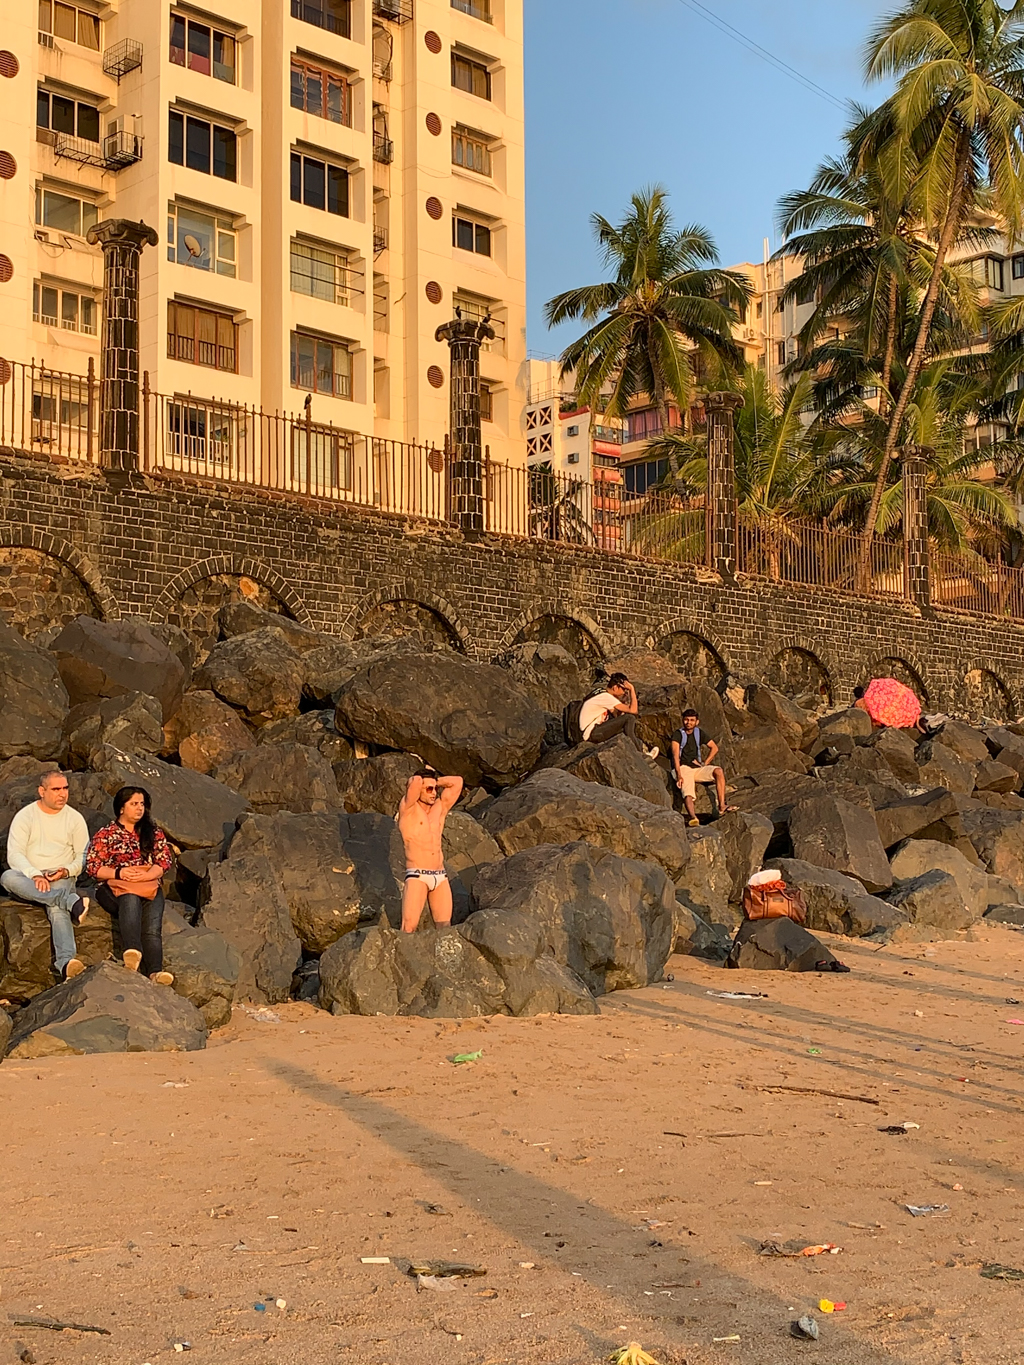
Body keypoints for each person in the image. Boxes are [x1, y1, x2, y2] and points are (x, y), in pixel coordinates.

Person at [1, 770, 91, 980]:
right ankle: (70, 902)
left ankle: (66, 963)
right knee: (6, 877)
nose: (62, 794)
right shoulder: (26, 816)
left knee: (55, 908)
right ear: (42, 791)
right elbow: (15, 855)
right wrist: (34, 875)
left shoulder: (74, 819)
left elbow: (83, 856)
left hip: (61, 875)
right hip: (29, 878)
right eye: (56, 789)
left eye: (65, 788)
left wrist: (65, 871)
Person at [86, 787, 174, 985]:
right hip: (113, 887)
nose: (139, 808)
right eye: (134, 804)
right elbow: (93, 867)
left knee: (152, 928)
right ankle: (132, 953)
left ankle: (155, 973)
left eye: (142, 804)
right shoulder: (106, 834)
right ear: (121, 808)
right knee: (130, 899)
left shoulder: (153, 832)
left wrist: (146, 875)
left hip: (148, 884)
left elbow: (164, 861)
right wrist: (120, 873)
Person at [396, 767, 464, 933]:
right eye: (429, 789)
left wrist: (434, 781)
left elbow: (458, 782)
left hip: (440, 876)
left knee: (444, 928)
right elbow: (415, 782)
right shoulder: (408, 809)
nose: (434, 793)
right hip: (417, 875)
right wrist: (422, 781)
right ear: (418, 789)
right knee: (409, 928)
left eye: (435, 789)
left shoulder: (439, 809)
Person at [671, 708, 737, 827]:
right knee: (688, 792)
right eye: (686, 720)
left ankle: (722, 805)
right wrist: (679, 775)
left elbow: (714, 748)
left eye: (691, 720)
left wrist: (705, 763)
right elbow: (675, 756)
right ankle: (693, 817)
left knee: (718, 771)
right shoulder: (678, 734)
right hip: (683, 767)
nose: (688, 722)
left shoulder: (699, 733)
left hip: (697, 768)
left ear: (697, 722)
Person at [578, 673, 658, 757]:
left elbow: (617, 716)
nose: (624, 692)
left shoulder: (601, 693)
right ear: (615, 687)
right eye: (624, 689)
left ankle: (642, 748)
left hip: (591, 730)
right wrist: (632, 689)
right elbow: (633, 711)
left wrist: (623, 702)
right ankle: (642, 755)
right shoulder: (606, 697)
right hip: (591, 733)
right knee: (629, 718)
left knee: (624, 726)